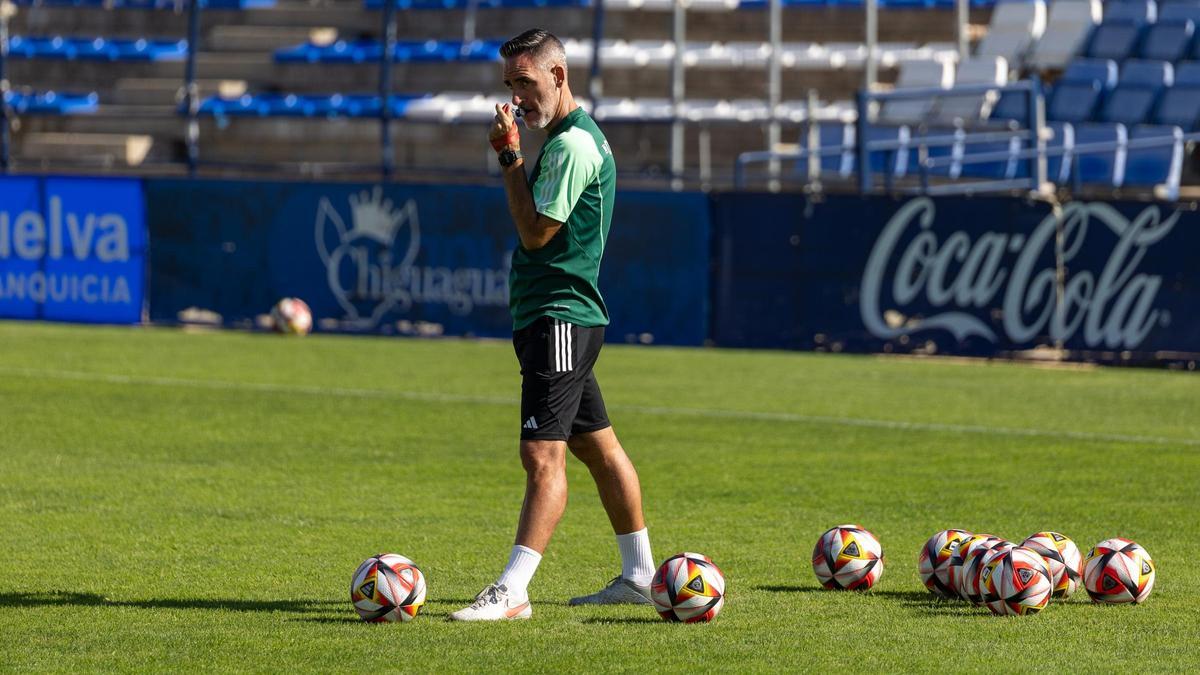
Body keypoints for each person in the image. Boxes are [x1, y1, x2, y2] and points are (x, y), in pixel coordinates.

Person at [448, 28, 655, 622]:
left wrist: (508, 156)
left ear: (558, 76)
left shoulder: (570, 147)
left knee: (542, 456)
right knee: (599, 448)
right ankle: (640, 576)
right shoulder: (573, 138)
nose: (516, 97)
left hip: (560, 316)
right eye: (509, 84)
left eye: (525, 82)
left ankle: (513, 590)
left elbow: (536, 232)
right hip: (561, 315)